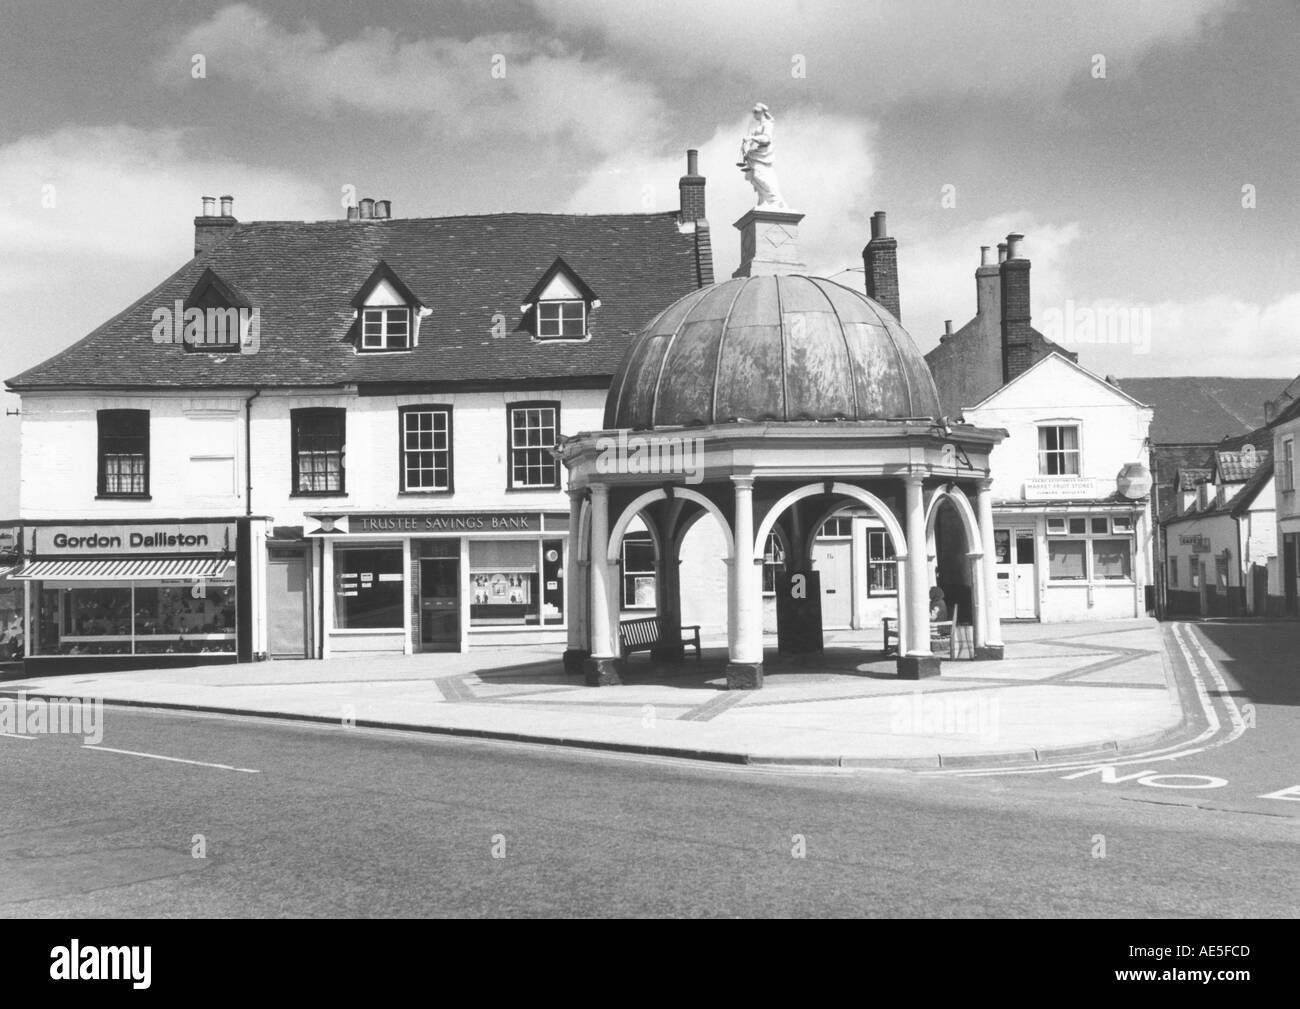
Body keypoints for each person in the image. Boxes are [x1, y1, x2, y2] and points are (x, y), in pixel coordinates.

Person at [738, 102, 786, 208]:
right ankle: (764, 199)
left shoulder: (767, 124)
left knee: (759, 175)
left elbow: (767, 139)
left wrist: (751, 138)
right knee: (754, 178)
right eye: (753, 112)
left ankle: (775, 199)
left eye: (755, 112)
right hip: (755, 155)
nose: (754, 114)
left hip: (763, 156)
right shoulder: (760, 126)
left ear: (761, 112)